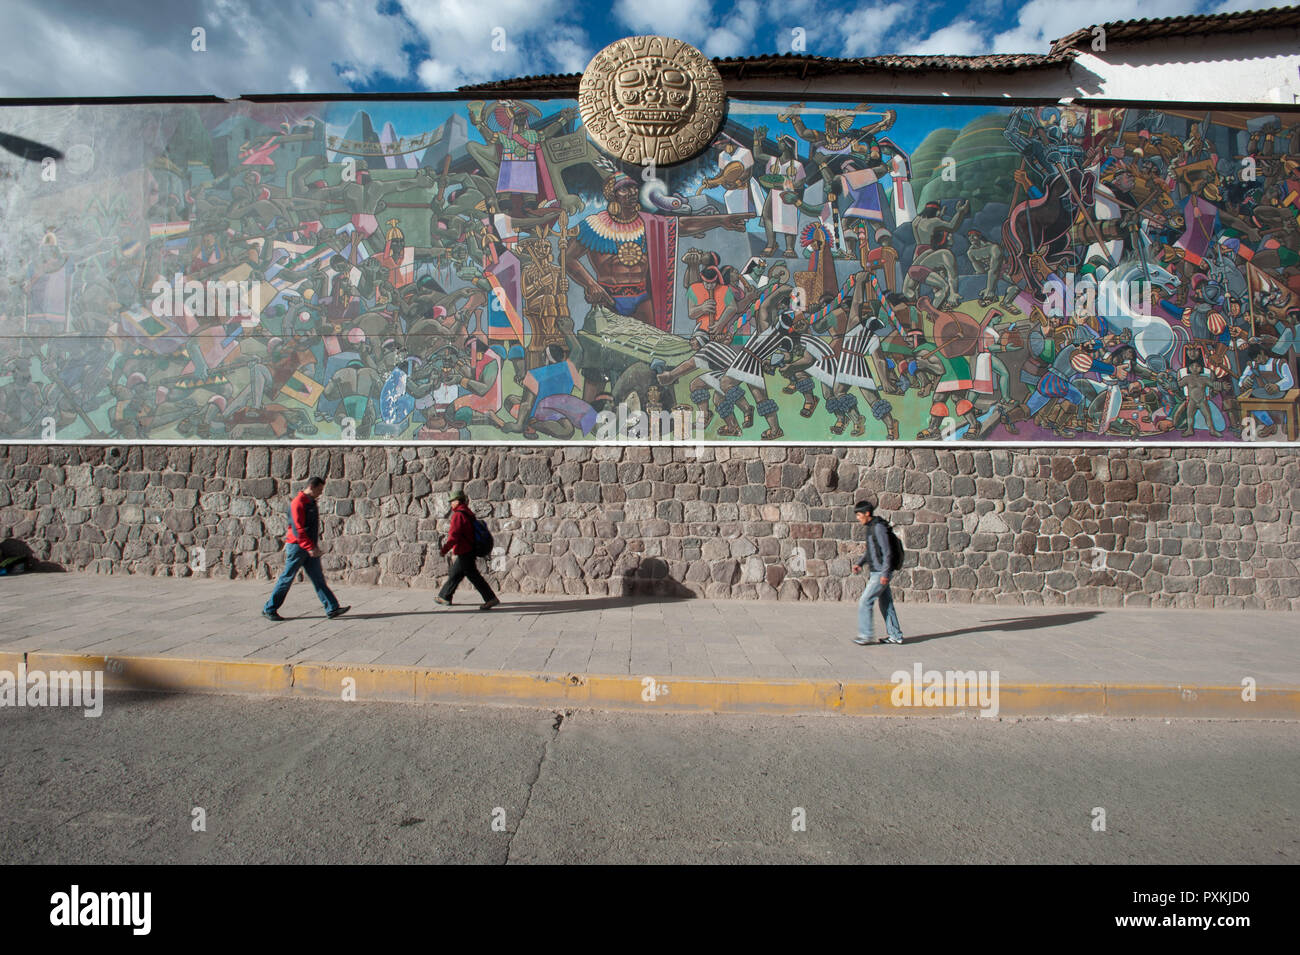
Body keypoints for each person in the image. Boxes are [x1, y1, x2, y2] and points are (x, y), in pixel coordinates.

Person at [262, 477, 349, 621]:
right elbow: (298, 529)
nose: (320, 493)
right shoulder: (298, 503)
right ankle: (269, 608)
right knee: (287, 578)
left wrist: (312, 546)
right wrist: (309, 547)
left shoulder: (310, 502)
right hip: (297, 547)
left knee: (318, 578)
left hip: (308, 546)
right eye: (319, 489)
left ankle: (332, 607)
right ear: (312, 487)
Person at [435, 490, 499, 610]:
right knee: (455, 573)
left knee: (473, 576)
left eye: (452, 501)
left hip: (464, 550)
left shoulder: (458, 515)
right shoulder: (467, 512)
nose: (451, 504)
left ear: (458, 501)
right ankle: (445, 596)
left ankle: (490, 598)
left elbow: (454, 535)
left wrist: (445, 549)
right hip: (469, 549)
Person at [850, 499, 903, 645]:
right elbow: (871, 551)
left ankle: (866, 635)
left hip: (880, 572)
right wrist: (860, 563)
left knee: (865, 601)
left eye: (859, 515)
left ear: (867, 513)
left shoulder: (878, 527)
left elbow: (887, 552)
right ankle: (895, 635)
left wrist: (885, 574)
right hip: (877, 571)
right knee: (886, 603)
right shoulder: (871, 527)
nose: (858, 518)